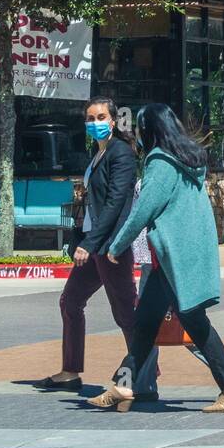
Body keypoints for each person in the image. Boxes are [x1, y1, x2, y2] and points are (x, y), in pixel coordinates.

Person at [86, 102, 224, 414]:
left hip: (175, 257)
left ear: (151, 130)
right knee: (145, 324)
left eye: (140, 129)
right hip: (176, 255)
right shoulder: (187, 159)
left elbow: (145, 209)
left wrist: (117, 245)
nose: (137, 134)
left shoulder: (161, 161)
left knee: (194, 322)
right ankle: (124, 385)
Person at [36, 97, 159, 398]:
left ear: (114, 121)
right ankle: (70, 371)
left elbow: (117, 203)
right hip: (94, 245)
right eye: (90, 118)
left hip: (110, 246)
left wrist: (91, 243)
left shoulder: (122, 154)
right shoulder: (98, 154)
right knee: (70, 301)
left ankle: (145, 375)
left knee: (126, 313)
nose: (95, 123)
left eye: (101, 117)